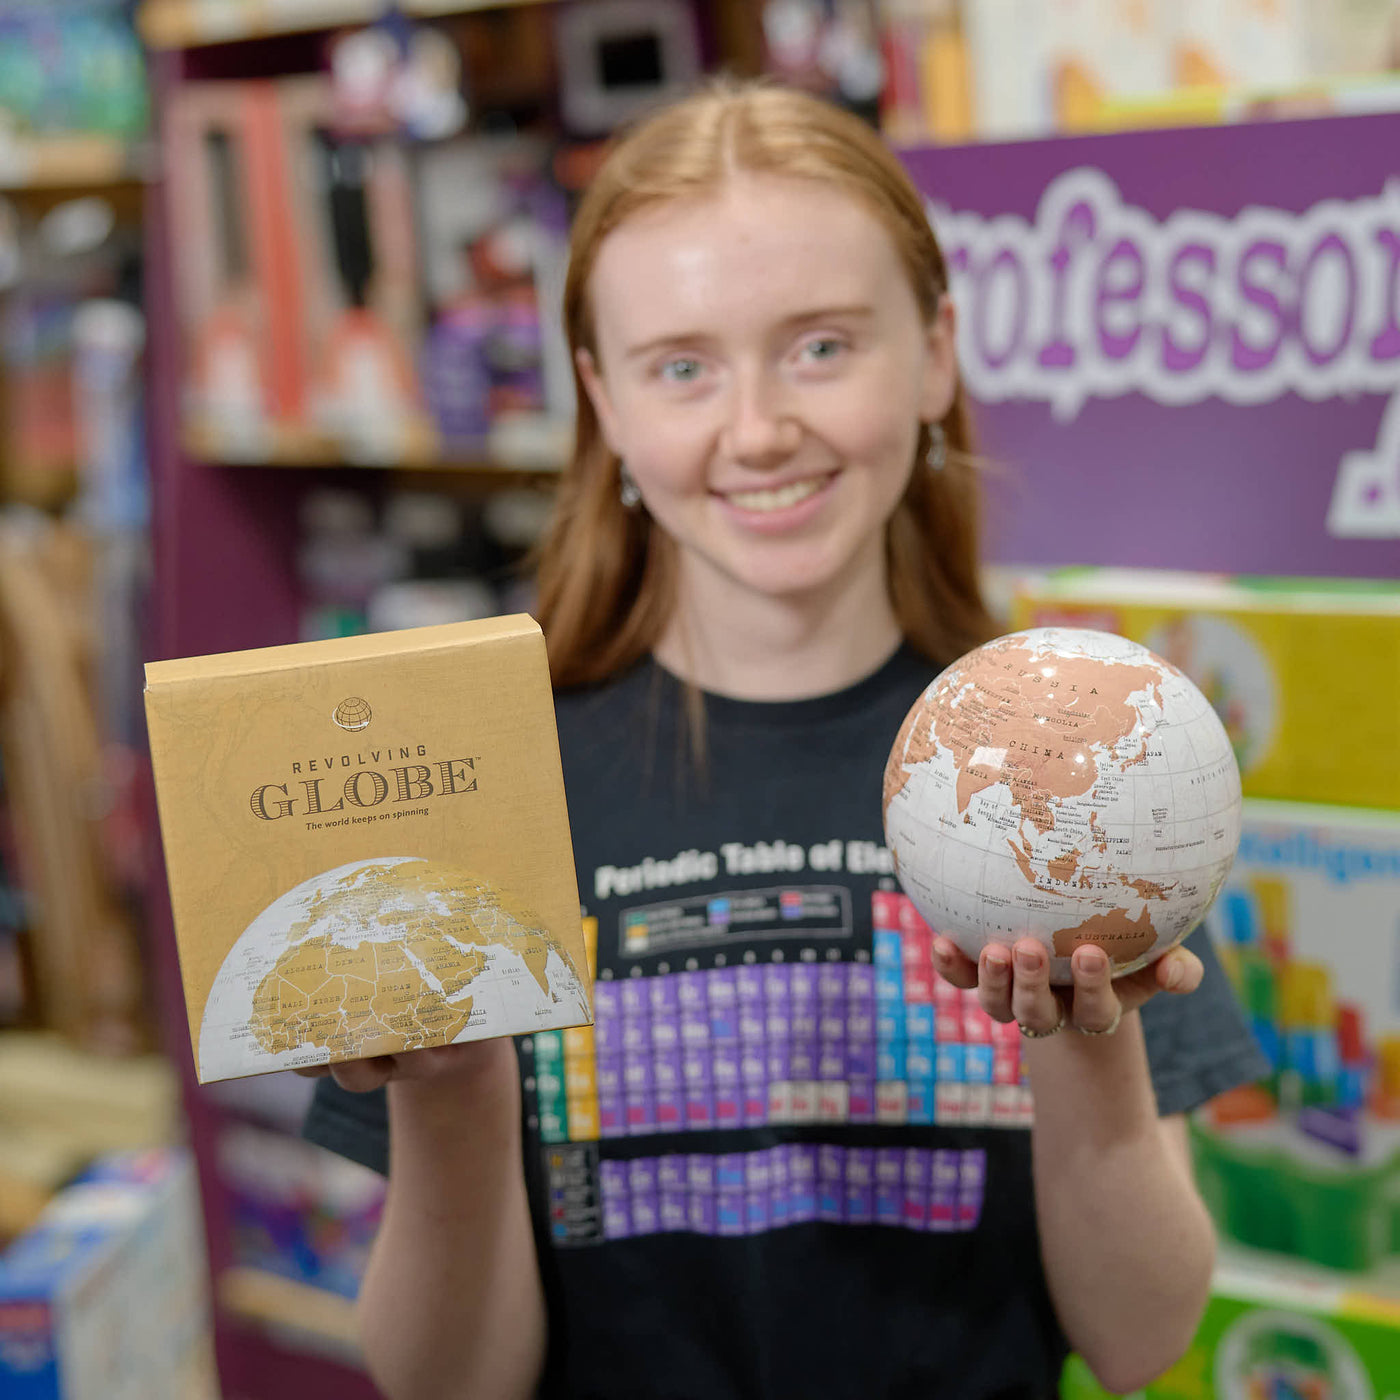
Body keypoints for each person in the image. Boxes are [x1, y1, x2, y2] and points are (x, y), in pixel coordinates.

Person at [302, 78, 1268, 1400]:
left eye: (821, 346)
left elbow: (1142, 1337)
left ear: (934, 354)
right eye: (683, 366)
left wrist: (1083, 1051)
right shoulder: (484, 791)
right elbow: (445, 1382)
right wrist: (453, 1087)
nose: (757, 429)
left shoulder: (1074, 769)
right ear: (606, 403)